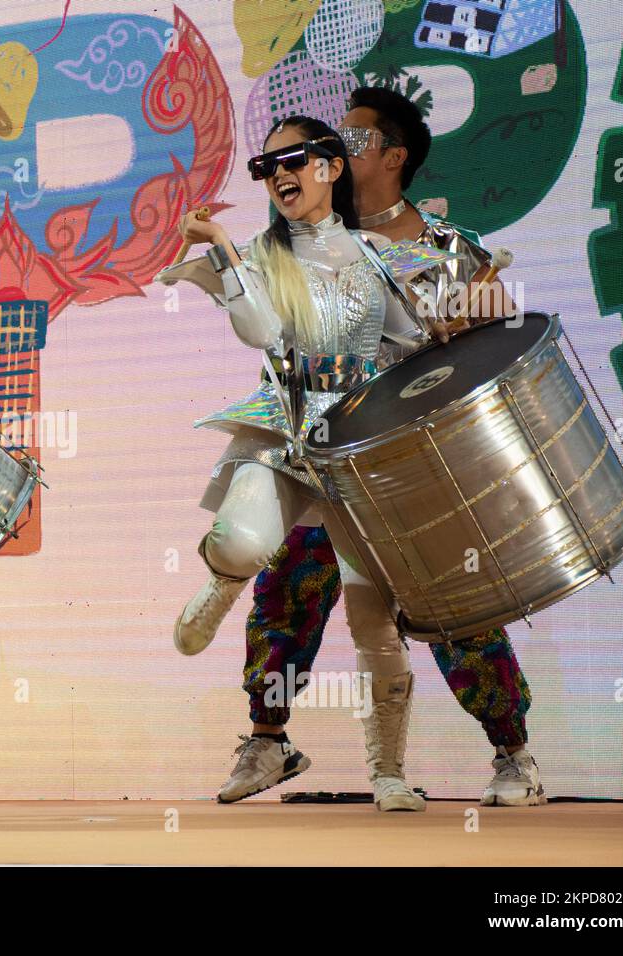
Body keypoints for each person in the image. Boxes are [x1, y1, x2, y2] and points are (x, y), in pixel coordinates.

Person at [224, 87, 546, 810]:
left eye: (355, 138)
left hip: (416, 466)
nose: (334, 148)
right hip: (320, 454)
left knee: (458, 611)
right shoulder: (301, 239)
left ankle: (514, 757)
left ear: (395, 158)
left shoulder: (448, 249)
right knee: (285, 594)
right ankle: (267, 741)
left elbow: (499, 338)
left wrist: (459, 325)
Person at [165, 116, 430, 812]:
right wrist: (222, 250)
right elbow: (260, 330)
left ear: (332, 168)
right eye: (266, 166)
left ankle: (389, 773)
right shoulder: (259, 253)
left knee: (376, 621)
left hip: (361, 447)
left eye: (295, 160)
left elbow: (411, 345)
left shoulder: (376, 258)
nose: (279, 174)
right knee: (239, 542)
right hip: (285, 431)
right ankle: (222, 589)